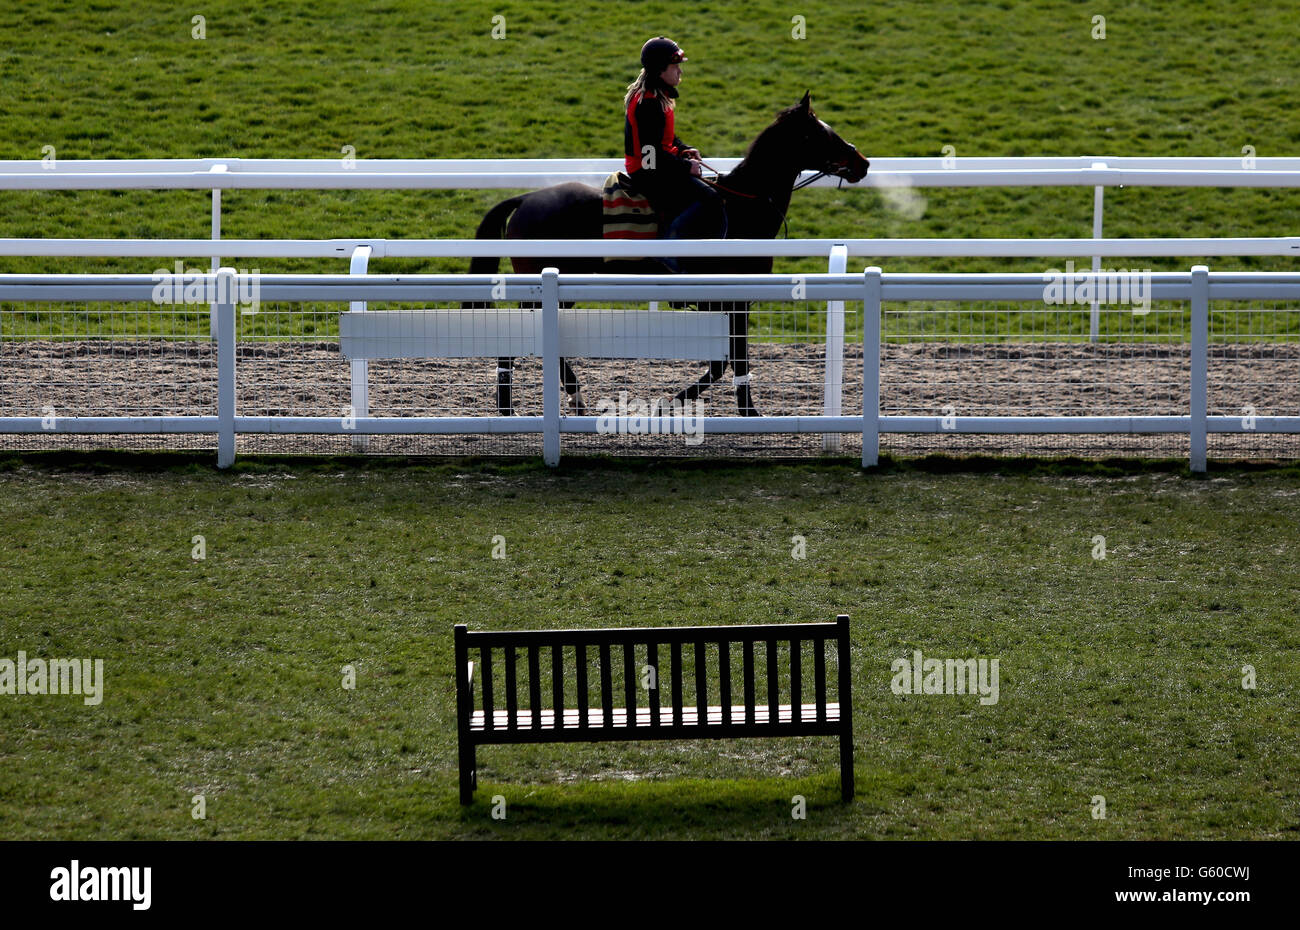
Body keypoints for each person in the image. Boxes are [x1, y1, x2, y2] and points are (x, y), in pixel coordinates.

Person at [624, 36, 726, 271]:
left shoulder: (655, 96)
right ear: (660, 70)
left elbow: (665, 140)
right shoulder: (647, 103)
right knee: (710, 199)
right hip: (647, 172)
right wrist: (684, 166)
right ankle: (667, 255)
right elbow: (651, 156)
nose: (680, 71)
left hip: (654, 166)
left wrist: (683, 150)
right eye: (675, 66)